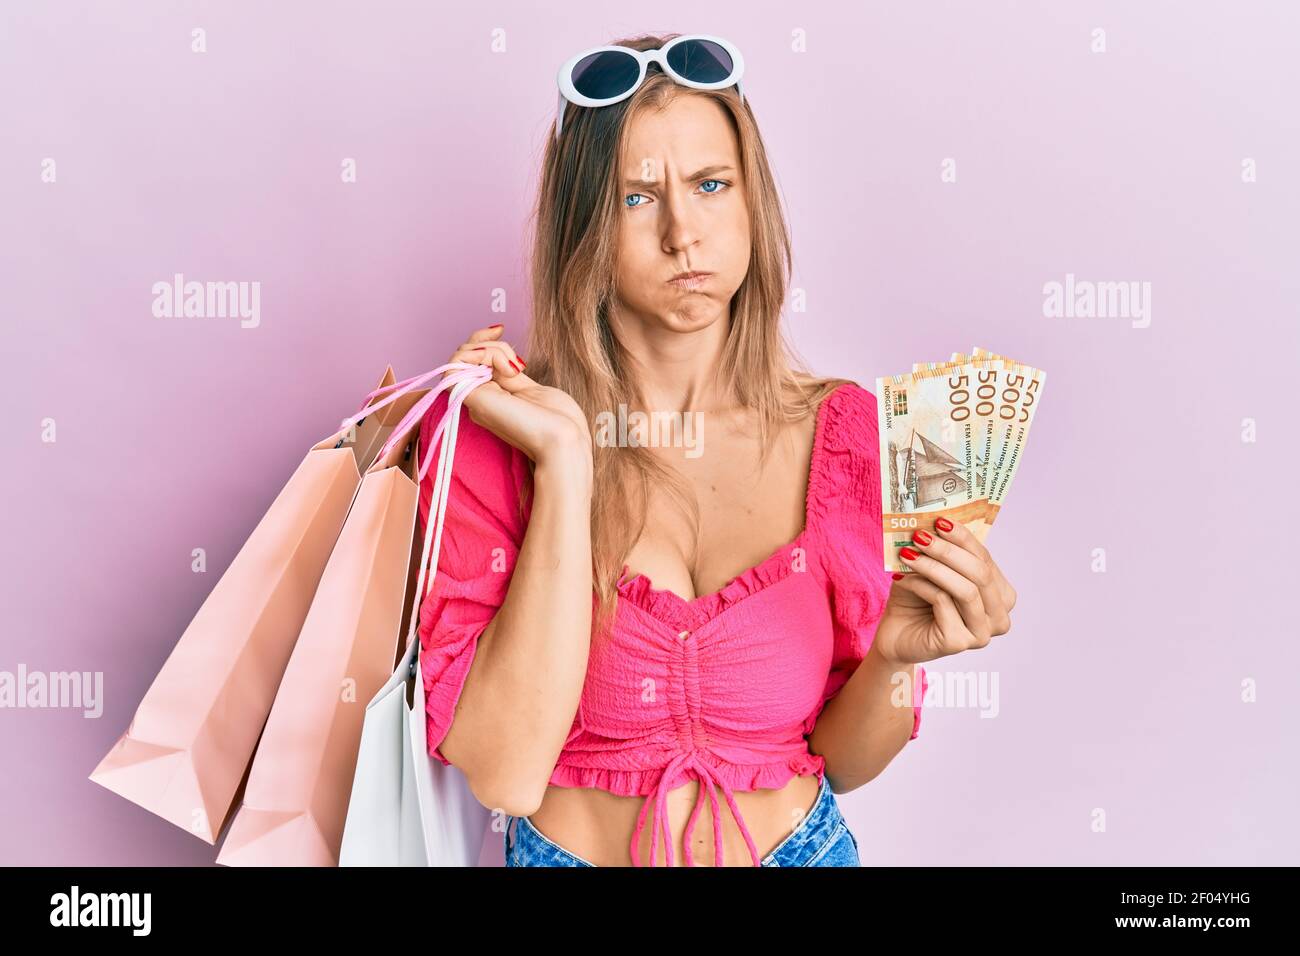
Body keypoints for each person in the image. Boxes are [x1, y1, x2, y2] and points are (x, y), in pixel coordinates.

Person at [413, 32, 1018, 867]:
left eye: (709, 184)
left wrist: (892, 659)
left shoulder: (846, 436)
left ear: (750, 201)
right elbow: (508, 775)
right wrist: (564, 464)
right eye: (636, 198)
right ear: (581, 225)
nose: (682, 234)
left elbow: (843, 761)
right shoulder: (495, 435)